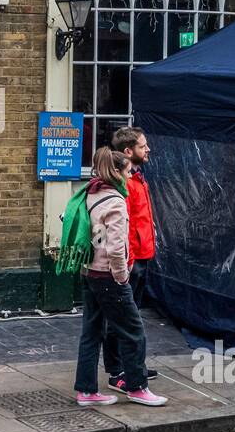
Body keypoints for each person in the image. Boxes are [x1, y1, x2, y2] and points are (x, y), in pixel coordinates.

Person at [68, 147, 165, 407]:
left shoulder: (90, 193)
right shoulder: (115, 202)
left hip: (88, 271)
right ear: (118, 172)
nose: (130, 174)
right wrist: (122, 278)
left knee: (91, 331)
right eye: (128, 171)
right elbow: (114, 248)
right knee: (134, 331)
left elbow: (90, 234)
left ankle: (86, 391)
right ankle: (137, 387)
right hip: (109, 276)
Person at [103, 126, 158, 392]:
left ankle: (134, 365)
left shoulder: (138, 178)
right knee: (122, 318)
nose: (147, 149)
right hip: (132, 260)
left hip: (143, 255)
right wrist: (130, 261)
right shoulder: (125, 184)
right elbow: (122, 229)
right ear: (128, 151)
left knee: (132, 316)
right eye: (142, 146)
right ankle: (117, 370)